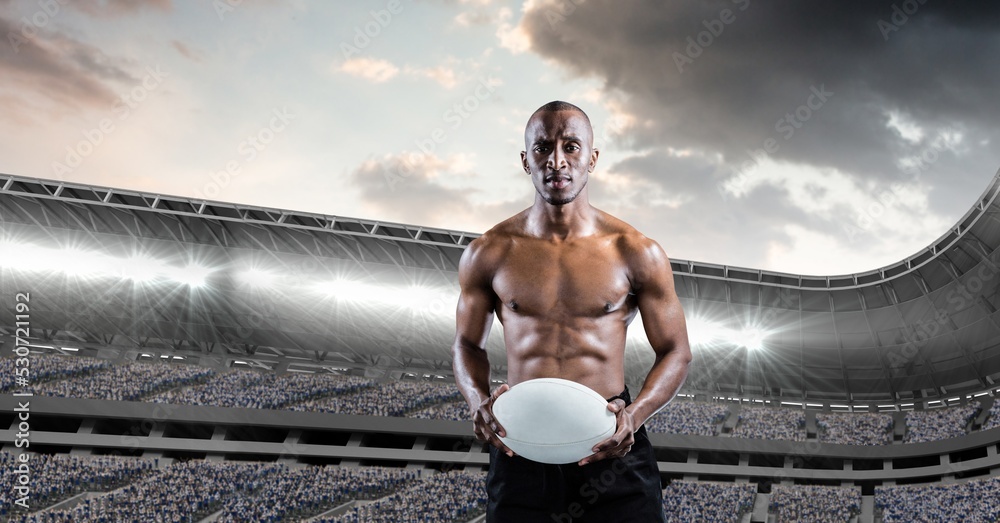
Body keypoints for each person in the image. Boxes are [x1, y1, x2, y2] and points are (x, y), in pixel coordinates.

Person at [452, 100, 693, 522]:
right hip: (519, 442)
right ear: (526, 160)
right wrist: (477, 400)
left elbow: (676, 350)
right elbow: (468, 344)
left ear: (592, 158)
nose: (557, 161)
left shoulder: (636, 251)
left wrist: (634, 417)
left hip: (611, 443)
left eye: (571, 147)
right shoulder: (488, 252)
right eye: (543, 148)